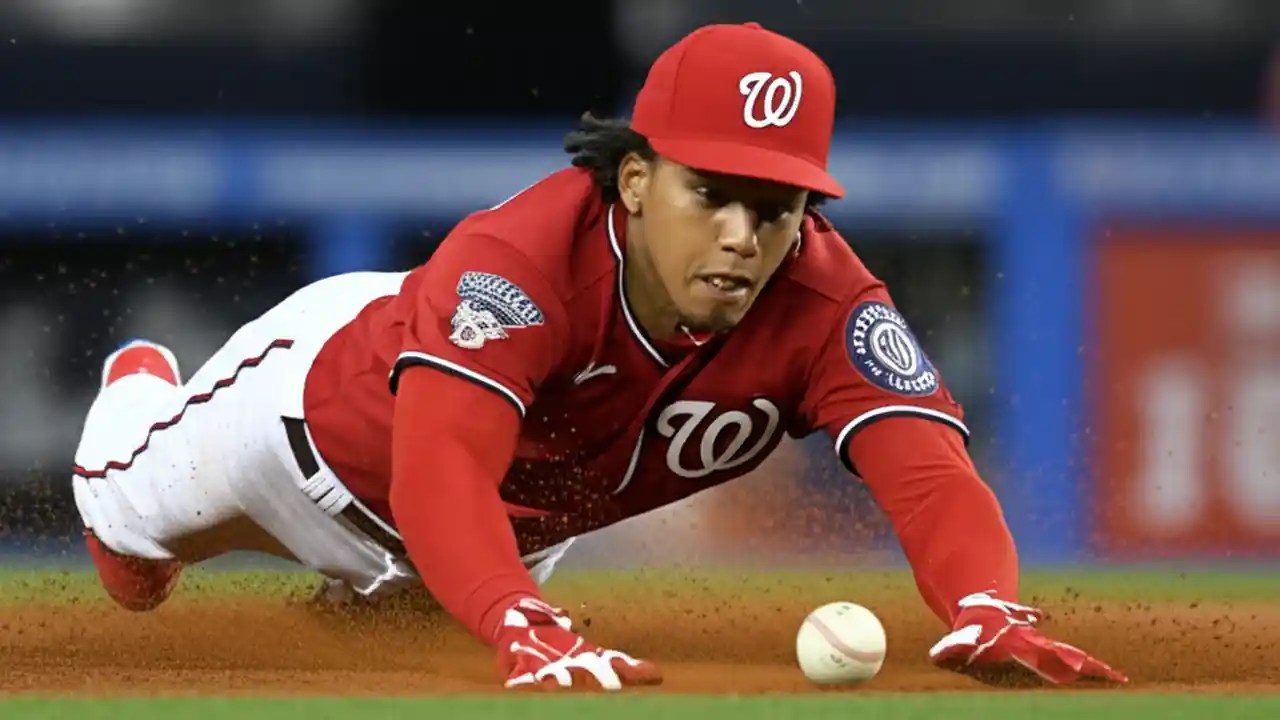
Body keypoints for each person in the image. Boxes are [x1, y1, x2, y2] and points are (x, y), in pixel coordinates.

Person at [71, 22, 1126, 691]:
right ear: (632, 182)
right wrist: (521, 622)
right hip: (303, 430)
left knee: (404, 659)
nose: (740, 234)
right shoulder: (516, 261)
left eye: (774, 204)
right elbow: (438, 469)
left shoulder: (824, 300)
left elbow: (929, 473)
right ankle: (140, 391)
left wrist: (984, 602)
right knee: (126, 548)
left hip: (499, 540)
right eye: (708, 192)